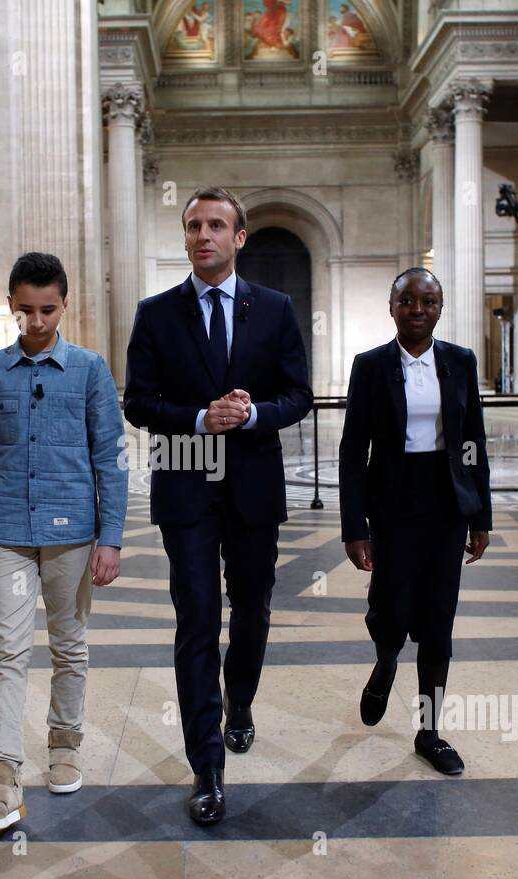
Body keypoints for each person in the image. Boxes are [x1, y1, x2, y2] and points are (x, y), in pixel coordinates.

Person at [124, 186, 312, 825]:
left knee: (253, 609)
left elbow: (299, 395)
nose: (203, 235)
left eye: (216, 225)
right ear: (185, 237)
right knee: (198, 619)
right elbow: (139, 404)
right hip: (186, 488)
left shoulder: (276, 309)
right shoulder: (156, 314)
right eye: (193, 226)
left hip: (255, 488)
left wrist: (253, 414)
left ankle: (242, 702)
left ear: (239, 238)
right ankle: (206, 765)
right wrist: (201, 418)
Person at [0, 252, 127, 836]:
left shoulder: (89, 370)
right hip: (4, 532)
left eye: (47, 309)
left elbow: (110, 459)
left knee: (69, 644)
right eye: (25, 310)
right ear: (10, 305)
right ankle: (1, 778)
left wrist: (113, 538)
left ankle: (65, 746)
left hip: (72, 533)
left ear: (65, 304)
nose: (35, 321)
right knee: (7, 653)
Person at [338, 267, 491, 776]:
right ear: (393, 307)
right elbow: (352, 449)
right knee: (390, 608)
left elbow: (473, 442)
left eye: (427, 301)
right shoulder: (371, 366)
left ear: (440, 308)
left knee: (439, 622)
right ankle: (385, 662)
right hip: (393, 506)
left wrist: (480, 514)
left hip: (447, 504)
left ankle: (429, 731)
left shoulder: (461, 362)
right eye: (407, 301)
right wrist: (354, 526)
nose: (417, 309)